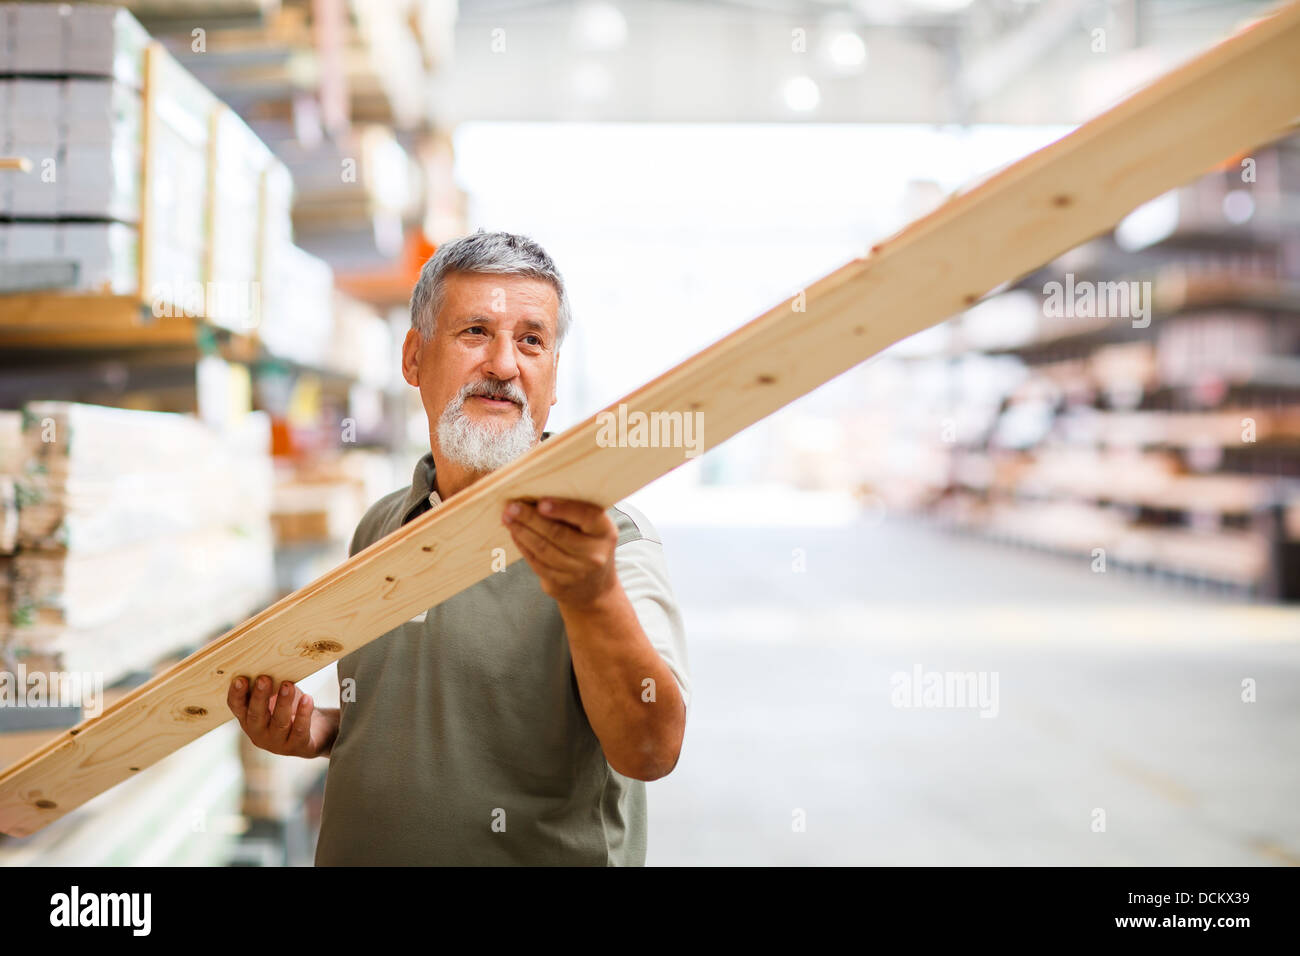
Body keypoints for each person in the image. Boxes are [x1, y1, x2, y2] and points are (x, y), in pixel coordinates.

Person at [226, 230, 690, 865]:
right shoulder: (381, 526)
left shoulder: (608, 541)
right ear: (414, 358)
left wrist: (592, 595)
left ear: (553, 375)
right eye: (475, 331)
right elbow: (438, 722)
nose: (504, 365)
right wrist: (324, 730)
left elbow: (650, 750)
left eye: (531, 340)